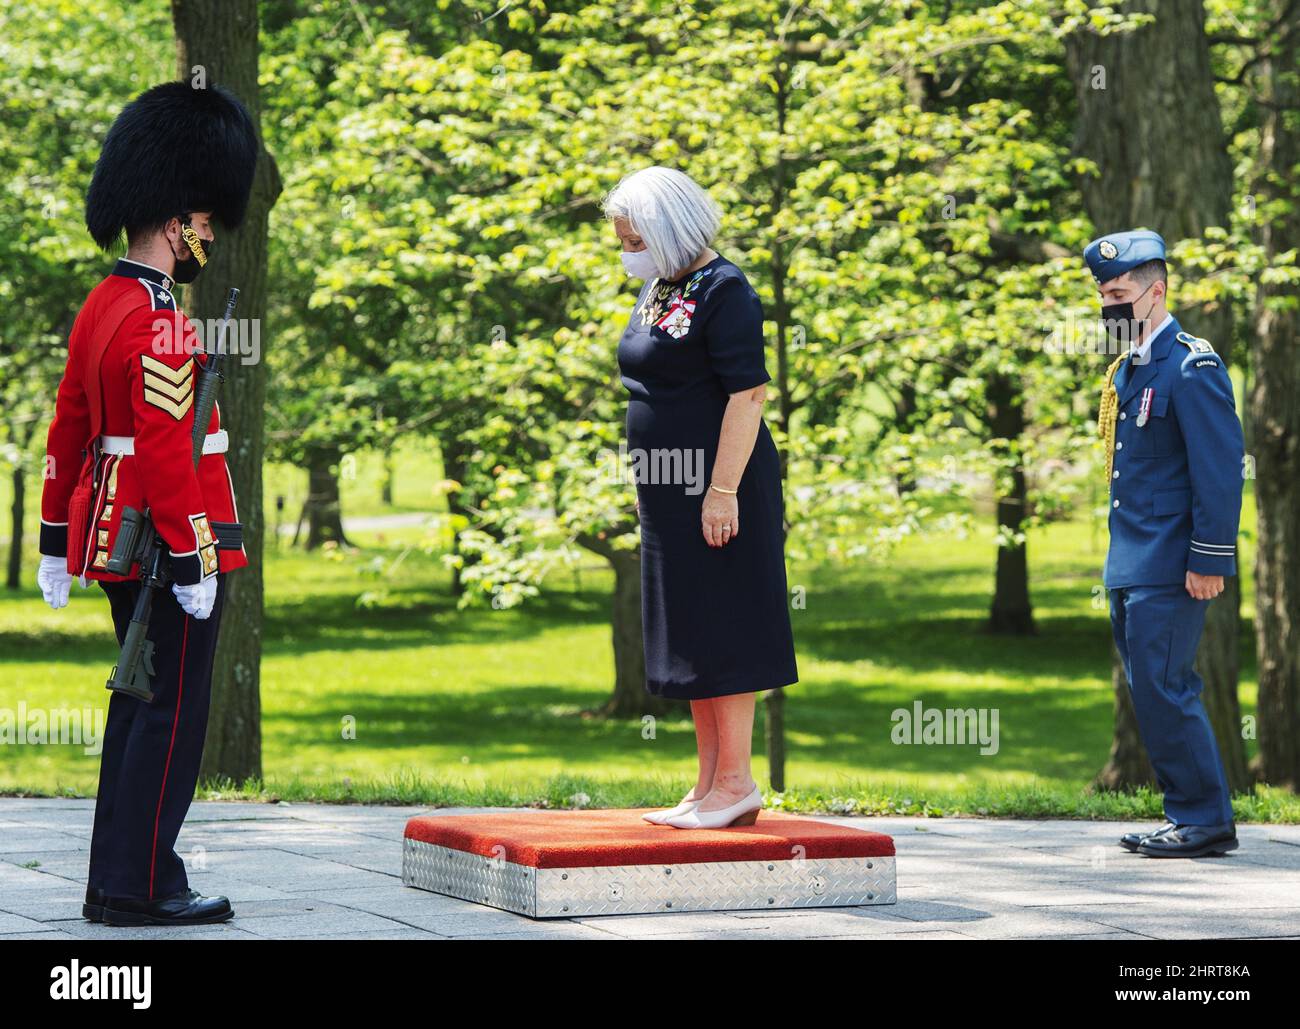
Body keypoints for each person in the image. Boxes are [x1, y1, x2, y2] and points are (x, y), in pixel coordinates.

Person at [35, 81, 258, 923]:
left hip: (112, 535)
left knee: (136, 707)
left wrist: (57, 538)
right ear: (175, 224)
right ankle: (146, 885)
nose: (208, 237)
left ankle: (114, 879)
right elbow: (167, 453)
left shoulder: (103, 304)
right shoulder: (163, 319)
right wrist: (196, 552)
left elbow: (69, 429)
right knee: (168, 719)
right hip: (167, 543)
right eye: (203, 224)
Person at [604, 166, 798, 830]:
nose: (625, 250)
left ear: (667, 229)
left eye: (632, 238)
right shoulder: (662, 287)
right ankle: (710, 784)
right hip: (665, 490)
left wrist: (721, 491)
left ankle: (738, 781)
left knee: (725, 625)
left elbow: (747, 394)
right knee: (688, 630)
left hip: (719, 487)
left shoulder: (726, 289)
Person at [1086, 229, 1244, 858]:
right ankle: (1189, 815)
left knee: (1167, 685)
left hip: (1174, 562)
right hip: (1132, 560)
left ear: (1157, 292)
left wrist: (1210, 557)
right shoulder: (1132, 367)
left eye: (1119, 293)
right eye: (1102, 295)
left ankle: (1204, 818)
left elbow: (1218, 468)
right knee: (1151, 688)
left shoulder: (1191, 365)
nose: (1108, 306)